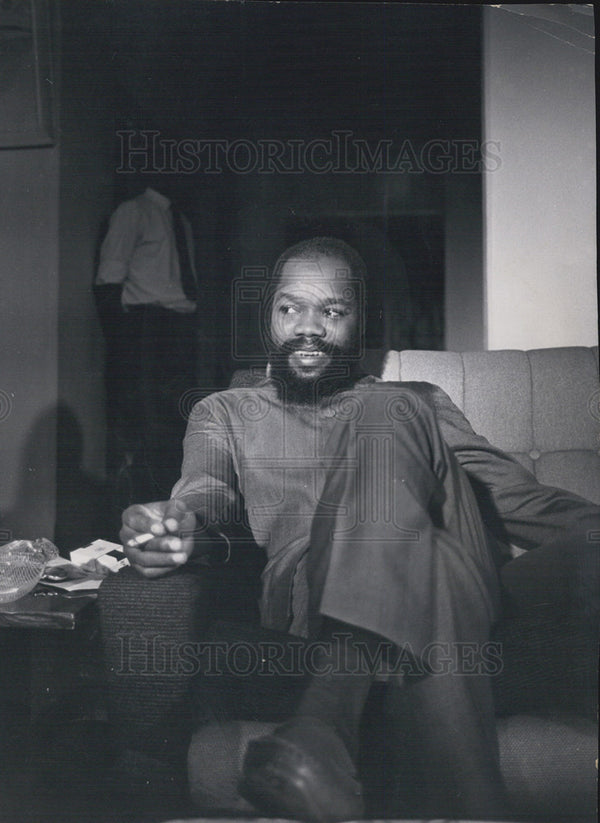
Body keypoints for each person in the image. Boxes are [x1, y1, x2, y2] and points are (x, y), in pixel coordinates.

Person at [121, 237, 599, 821]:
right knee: (424, 529)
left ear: (359, 323)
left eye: (333, 310)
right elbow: (208, 492)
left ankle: (323, 724)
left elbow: (518, 499)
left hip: (475, 577)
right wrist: (177, 523)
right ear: (268, 315)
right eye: (290, 308)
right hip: (321, 591)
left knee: (395, 417)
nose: (309, 327)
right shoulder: (224, 410)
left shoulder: (419, 401)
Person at [95, 182, 199, 510]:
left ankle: (170, 515)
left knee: (176, 425)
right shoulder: (134, 211)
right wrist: (126, 341)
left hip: (180, 328)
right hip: (147, 328)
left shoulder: (181, 220)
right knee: (144, 423)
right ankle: (137, 513)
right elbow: (108, 280)